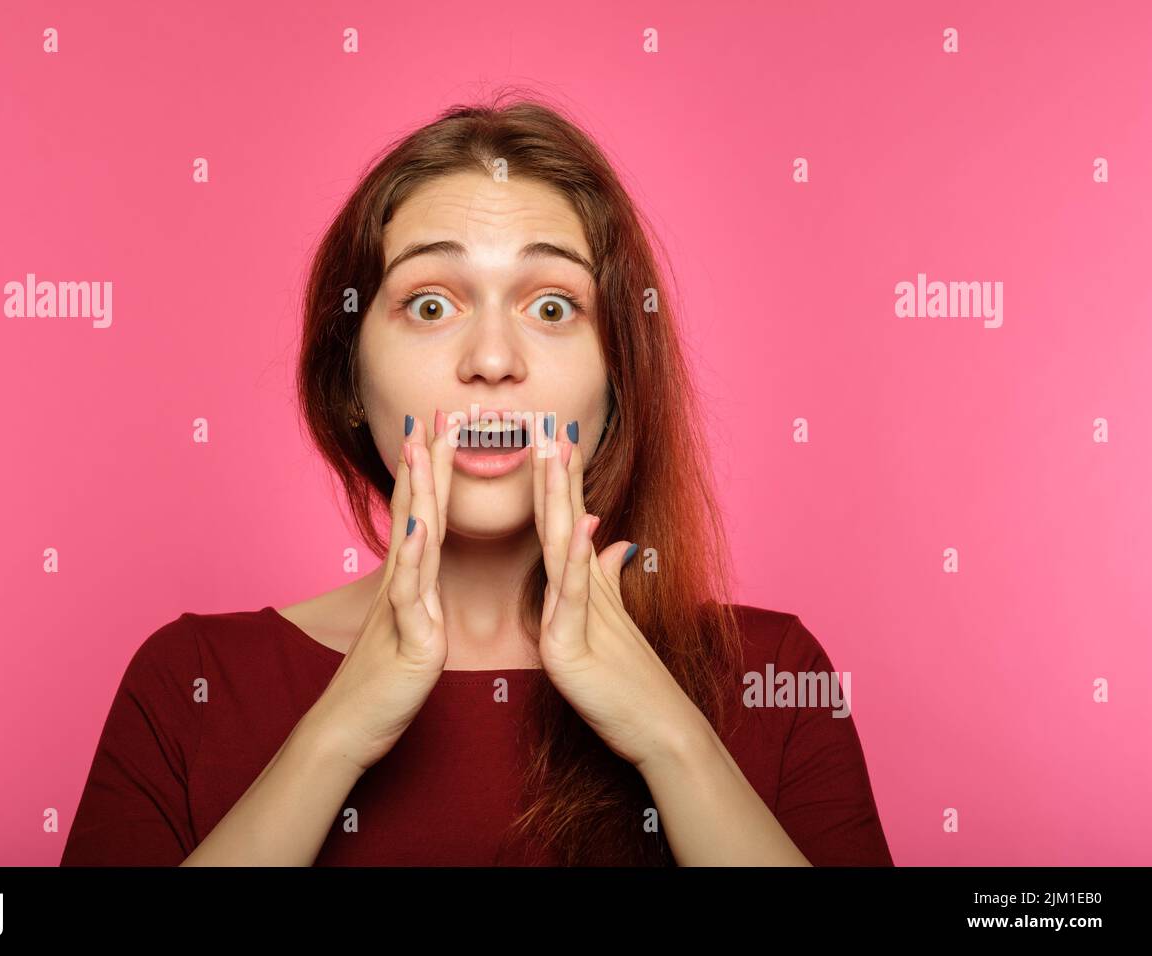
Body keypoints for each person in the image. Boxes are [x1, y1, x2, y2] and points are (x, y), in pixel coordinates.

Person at [60, 90, 893, 867]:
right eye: (430, 304)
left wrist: (671, 738)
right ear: (349, 379)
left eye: (552, 306)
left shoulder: (772, 675)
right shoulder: (190, 681)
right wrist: (337, 732)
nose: (492, 361)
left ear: (619, 381)